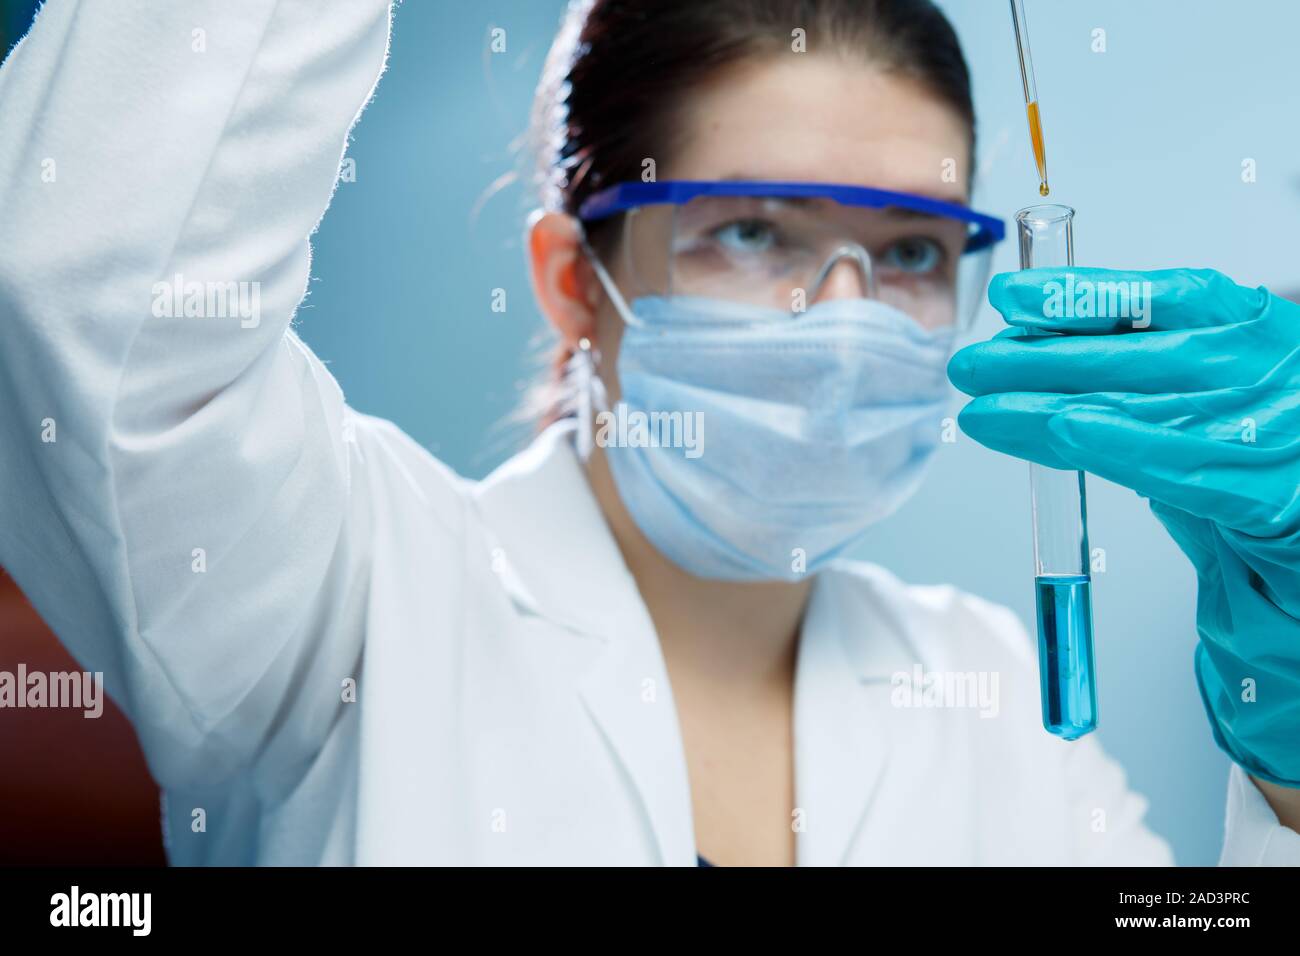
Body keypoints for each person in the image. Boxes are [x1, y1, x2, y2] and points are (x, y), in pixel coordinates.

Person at [0, 0, 1296, 867]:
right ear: (572, 280)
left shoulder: (989, 689)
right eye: (753, 231)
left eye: (907, 249)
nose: (842, 319)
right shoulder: (348, 600)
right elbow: (96, 287)